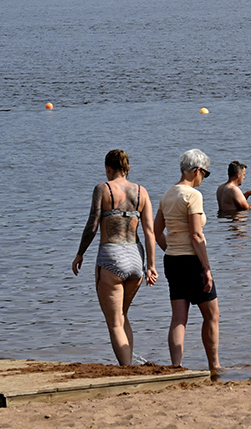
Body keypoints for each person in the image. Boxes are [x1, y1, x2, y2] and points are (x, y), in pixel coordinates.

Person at [70, 149, 157, 366]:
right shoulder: (142, 192)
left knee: (115, 322)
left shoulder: (103, 189)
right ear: (127, 169)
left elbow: (92, 224)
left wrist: (80, 253)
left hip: (112, 256)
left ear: (108, 168)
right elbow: (149, 231)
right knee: (123, 315)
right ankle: (129, 363)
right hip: (136, 258)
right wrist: (151, 266)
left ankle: (127, 369)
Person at [153, 148, 221, 375]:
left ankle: (176, 366)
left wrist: (170, 249)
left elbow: (156, 231)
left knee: (178, 318)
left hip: (172, 261)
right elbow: (196, 235)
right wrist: (207, 268)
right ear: (197, 171)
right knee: (212, 315)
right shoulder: (193, 195)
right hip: (193, 262)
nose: (204, 178)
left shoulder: (167, 195)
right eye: (205, 174)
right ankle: (214, 365)